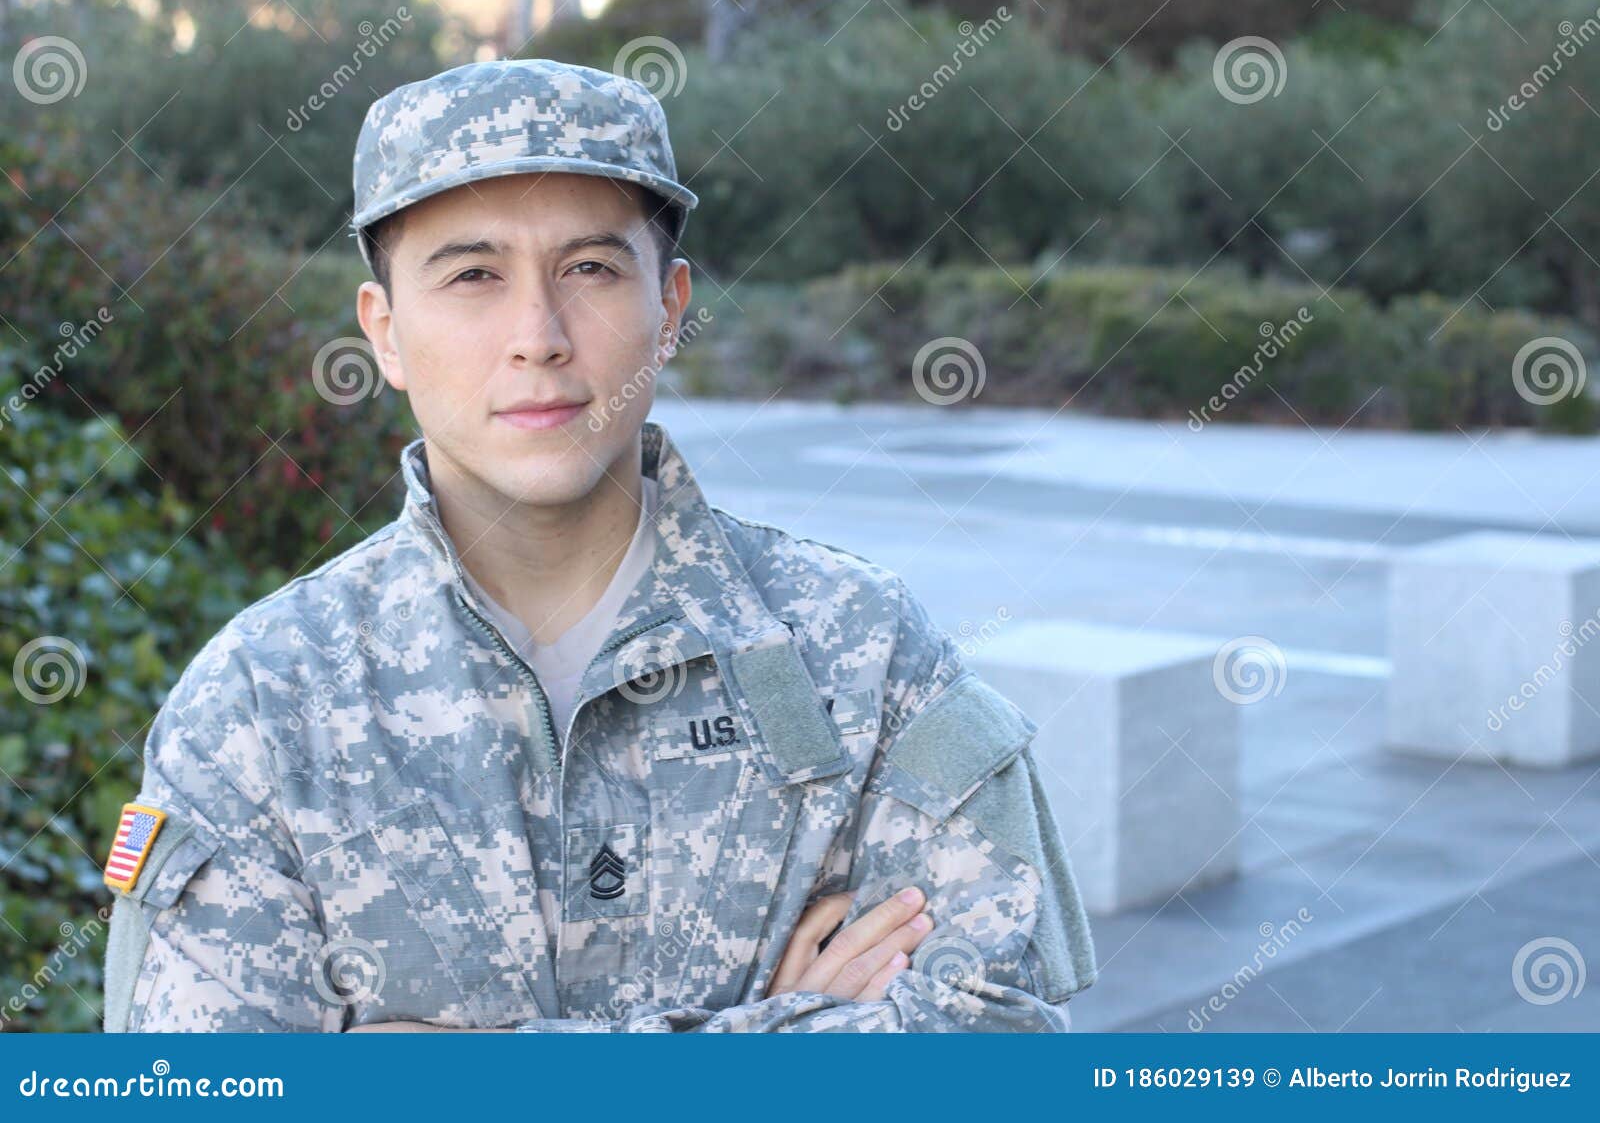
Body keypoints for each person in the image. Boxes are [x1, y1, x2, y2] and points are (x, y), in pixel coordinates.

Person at [101, 57, 1097, 1033]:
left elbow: (998, 1048)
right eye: (473, 274)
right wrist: (773, 1030)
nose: (537, 333)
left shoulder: (866, 656)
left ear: (667, 308)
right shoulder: (259, 708)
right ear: (385, 330)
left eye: (588, 267)